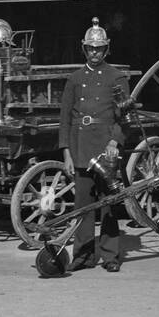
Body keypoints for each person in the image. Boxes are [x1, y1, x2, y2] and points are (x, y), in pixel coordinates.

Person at [58, 18, 132, 273]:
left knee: (109, 204)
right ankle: (83, 255)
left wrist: (115, 141)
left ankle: (110, 255)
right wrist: (66, 152)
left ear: (107, 48)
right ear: (84, 48)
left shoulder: (117, 77)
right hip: (81, 148)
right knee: (83, 206)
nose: (95, 52)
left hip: (106, 148)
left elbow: (126, 117)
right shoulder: (75, 79)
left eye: (99, 48)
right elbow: (65, 117)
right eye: (90, 48)